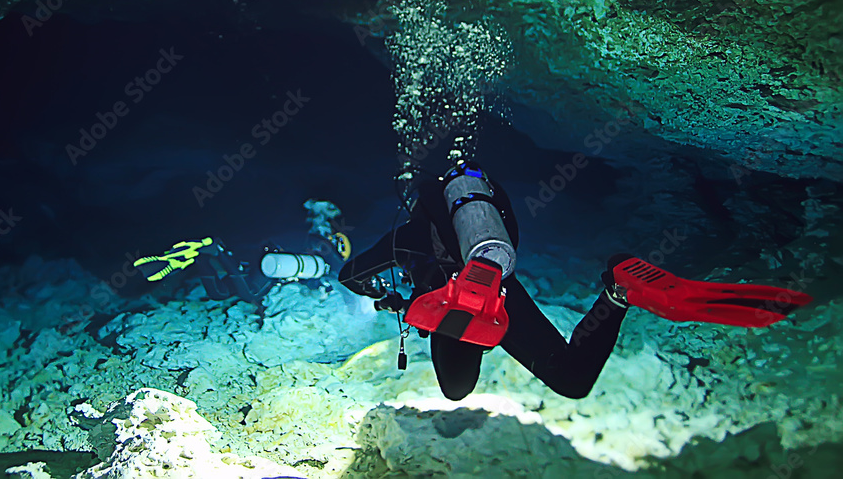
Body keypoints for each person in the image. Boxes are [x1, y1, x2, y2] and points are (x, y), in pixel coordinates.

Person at [339, 160, 812, 401]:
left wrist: (390, 299)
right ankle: (616, 287)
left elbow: (350, 275)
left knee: (458, 390)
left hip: (455, 309)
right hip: (498, 285)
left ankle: (617, 295)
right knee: (568, 376)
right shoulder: (476, 213)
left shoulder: (404, 236)